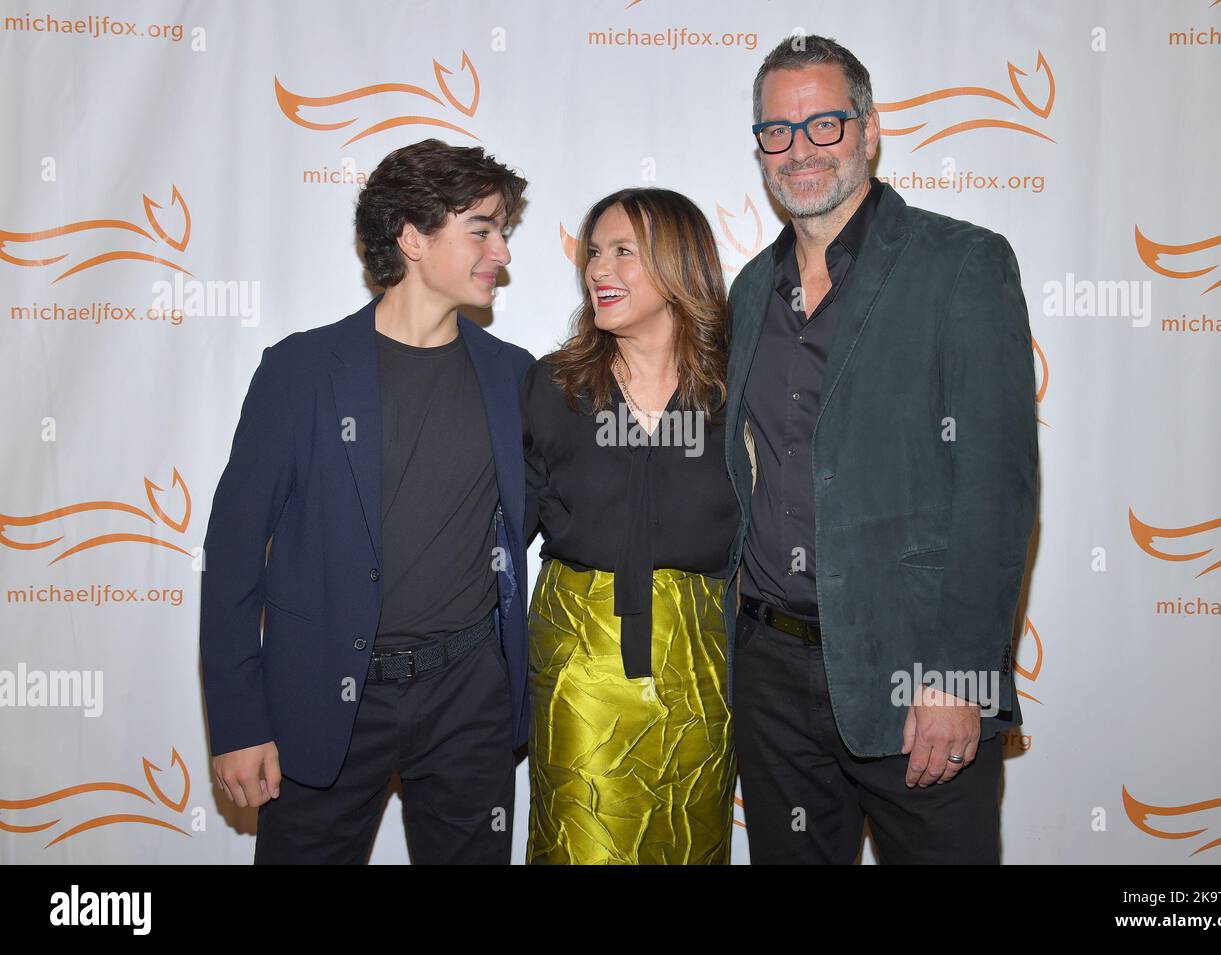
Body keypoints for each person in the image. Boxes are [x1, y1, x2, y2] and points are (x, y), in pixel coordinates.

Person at [724, 35, 1039, 864]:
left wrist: (959, 678)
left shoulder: (962, 264)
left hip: (916, 680)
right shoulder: (751, 289)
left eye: (824, 124)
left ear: (870, 131)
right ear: (759, 148)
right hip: (771, 679)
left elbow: (995, 490)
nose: (800, 150)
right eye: (777, 132)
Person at [199, 138, 534, 864]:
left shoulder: (514, 378)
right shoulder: (301, 372)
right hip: (323, 694)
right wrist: (236, 721)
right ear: (412, 237)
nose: (501, 251)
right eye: (481, 228)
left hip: (467, 699)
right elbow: (231, 559)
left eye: (502, 230)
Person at [521, 188, 740, 864]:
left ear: (679, 264)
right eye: (592, 253)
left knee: (691, 840)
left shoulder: (735, 390)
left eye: (622, 252)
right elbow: (500, 530)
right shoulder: (554, 386)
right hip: (580, 667)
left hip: (704, 668)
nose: (597, 269)